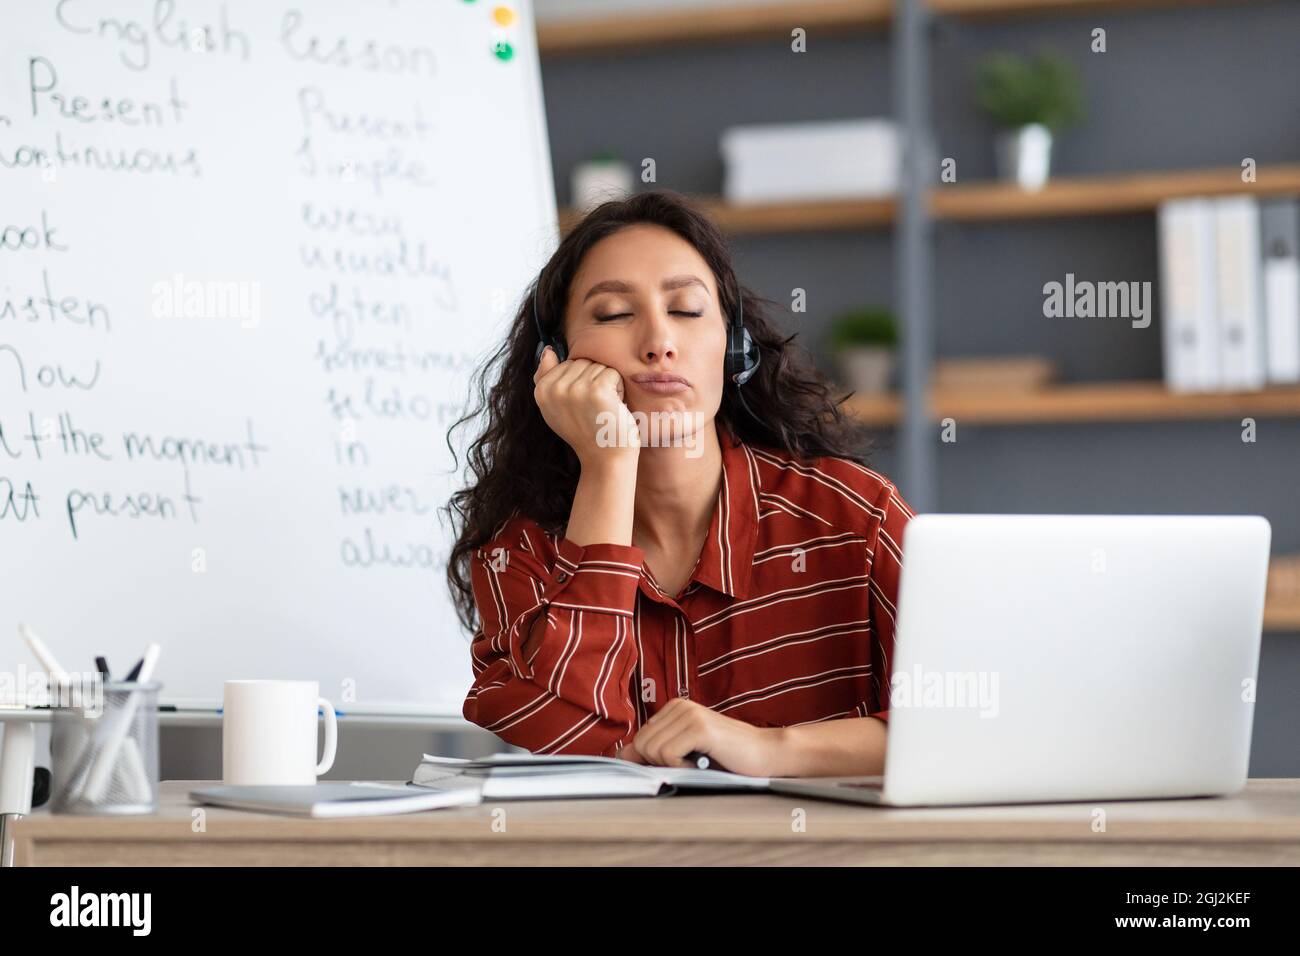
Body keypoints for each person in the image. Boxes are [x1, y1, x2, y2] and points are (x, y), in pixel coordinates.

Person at [445, 189, 915, 776]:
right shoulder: (520, 553)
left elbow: (975, 726)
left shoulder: (857, 519)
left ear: (733, 348)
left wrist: (770, 749)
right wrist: (609, 464)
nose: (658, 343)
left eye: (687, 310)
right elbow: (568, 745)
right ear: (555, 361)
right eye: (615, 314)